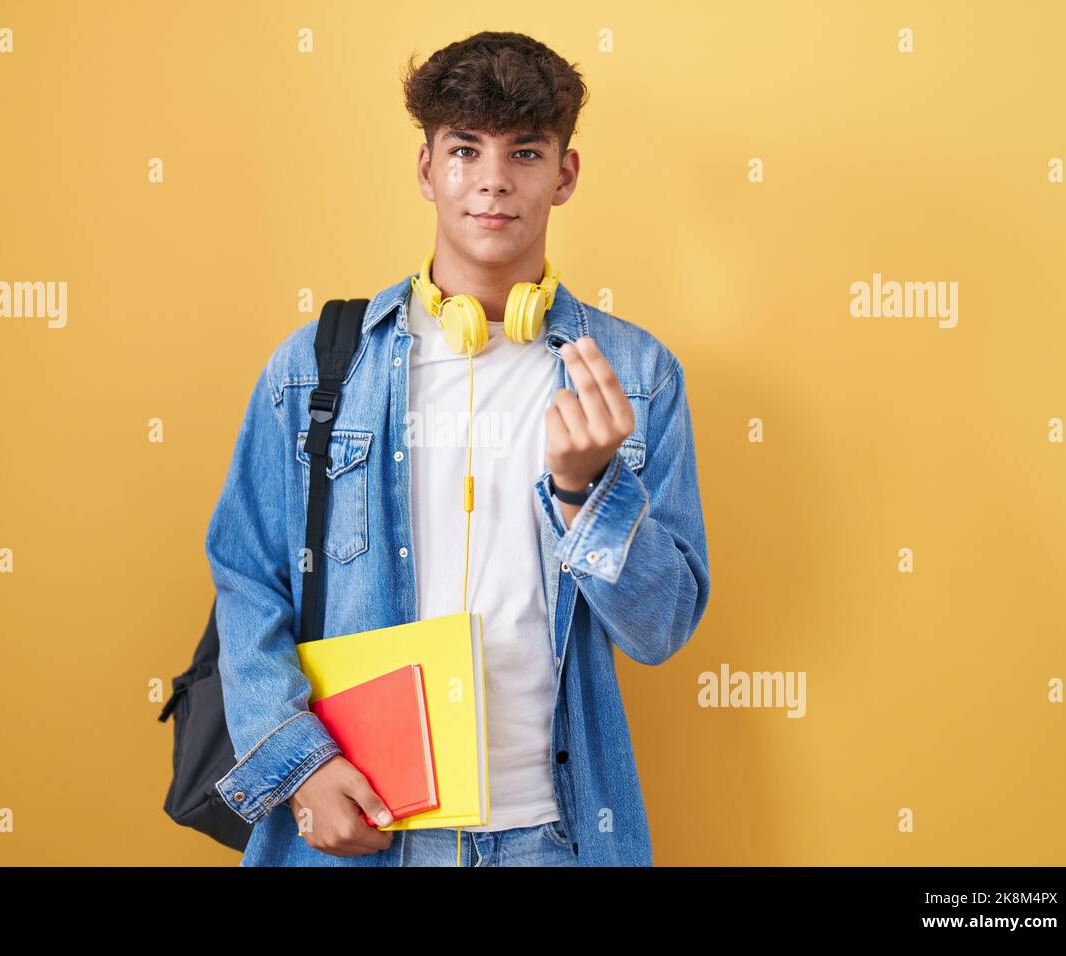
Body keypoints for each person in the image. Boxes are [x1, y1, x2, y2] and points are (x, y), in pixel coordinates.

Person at [205, 30, 710, 867]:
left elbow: (660, 630)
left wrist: (589, 493)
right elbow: (247, 576)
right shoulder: (316, 369)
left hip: (554, 833)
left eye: (524, 152)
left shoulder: (636, 375)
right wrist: (302, 767)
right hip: (365, 825)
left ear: (566, 174)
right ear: (426, 168)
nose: (493, 181)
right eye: (465, 149)